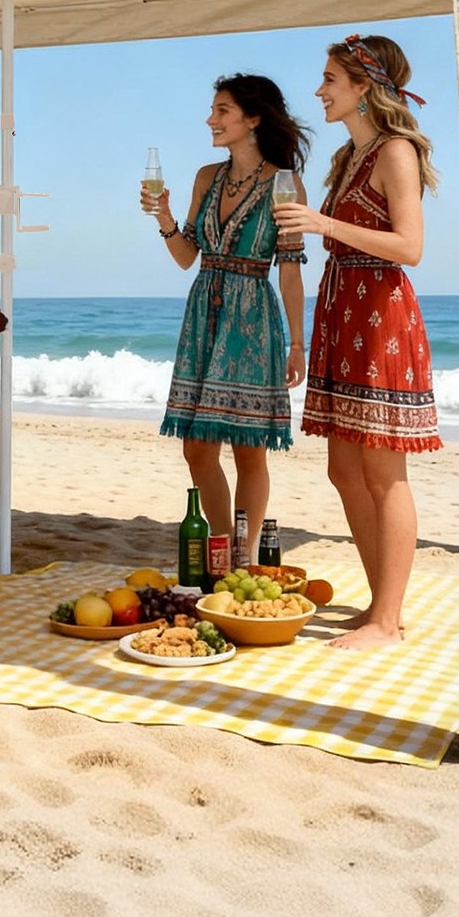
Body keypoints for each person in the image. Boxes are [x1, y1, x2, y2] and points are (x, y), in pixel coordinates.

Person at [274, 33, 442, 651]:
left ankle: (387, 621)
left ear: (363, 86)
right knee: (343, 469)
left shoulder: (395, 150)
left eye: (329, 79)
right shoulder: (349, 157)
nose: (319, 90)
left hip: (380, 313)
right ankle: (381, 604)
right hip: (342, 308)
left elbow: (411, 248)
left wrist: (323, 222)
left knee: (382, 473)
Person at [144, 74, 311, 563]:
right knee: (197, 448)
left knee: (248, 447)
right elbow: (185, 256)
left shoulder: (285, 183)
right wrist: (164, 217)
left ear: (253, 119)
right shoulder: (206, 177)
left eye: (222, 111)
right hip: (204, 314)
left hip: (252, 320)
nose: (210, 120)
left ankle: (246, 555)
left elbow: (292, 271)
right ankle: (221, 547)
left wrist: (296, 343)